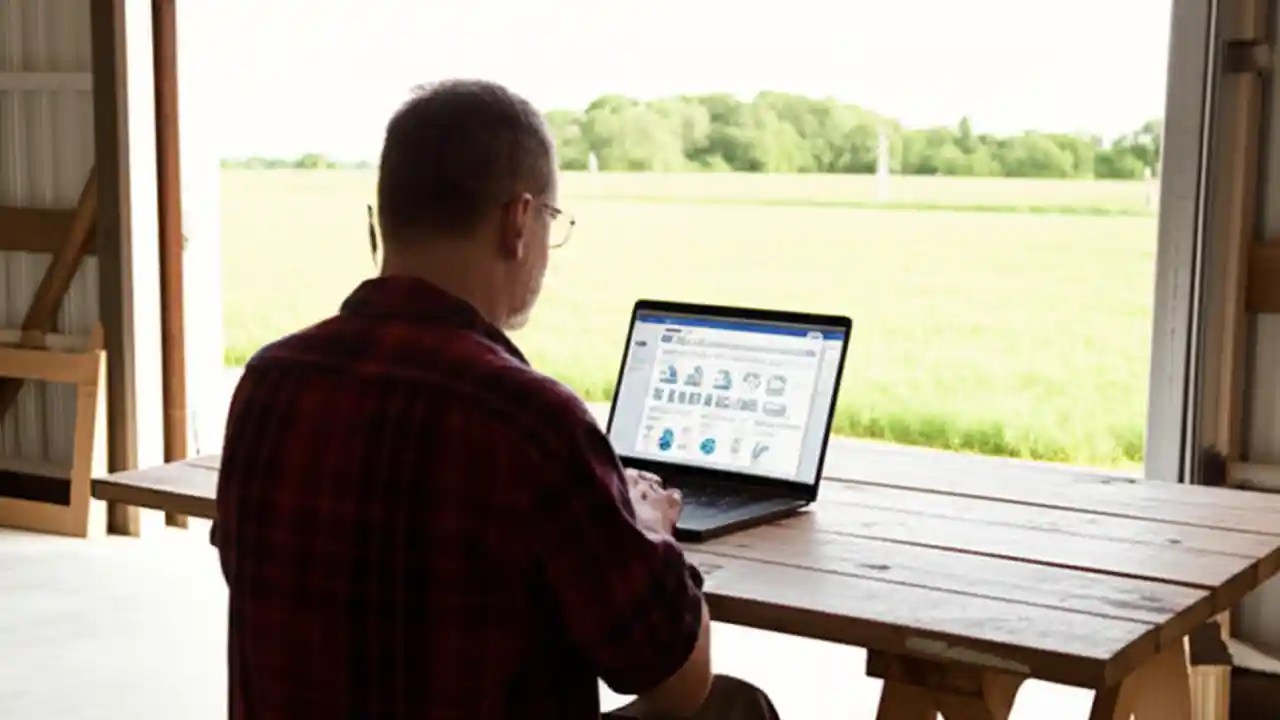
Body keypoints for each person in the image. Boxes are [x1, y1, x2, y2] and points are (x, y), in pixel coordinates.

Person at [212, 79, 779, 720]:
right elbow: (676, 686)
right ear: (517, 221)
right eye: (550, 223)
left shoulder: (269, 380)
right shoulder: (531, 423)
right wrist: (651, 532)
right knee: (733, 707)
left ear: (380, 223)